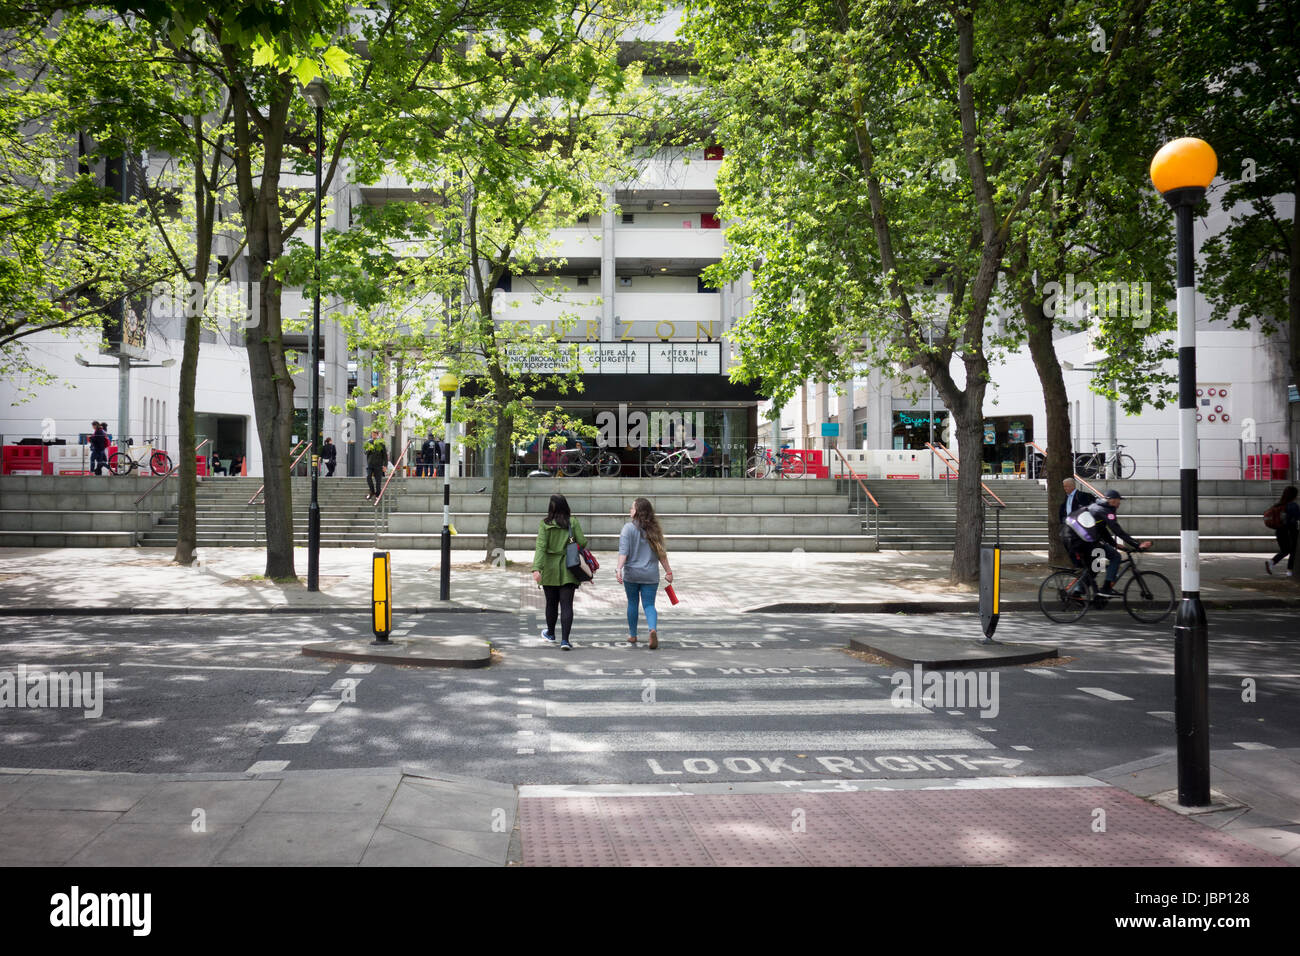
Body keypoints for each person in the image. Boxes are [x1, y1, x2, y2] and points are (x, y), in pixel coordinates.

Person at [1061, 489, 1151, 598]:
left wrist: (1114, 544)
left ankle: (1078, 592)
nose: (1119, 503)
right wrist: (1137, 545)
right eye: (1118, 500)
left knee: (1095, 566)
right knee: (1114, 557)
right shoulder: (1106, 511)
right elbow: (1117, 530)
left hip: (1072, 538)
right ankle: (1106, 588)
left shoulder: (1095, 507)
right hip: (1079, 540)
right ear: (1111, 500)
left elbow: (1102, 530)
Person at [616, 497, 673, 649]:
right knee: (649, 605)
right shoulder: (654, 530)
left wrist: (618, 568)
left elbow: (623, 552)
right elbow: (662, 553)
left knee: (633, 603)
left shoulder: (627, 529)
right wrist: (668, 571)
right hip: (650, 574)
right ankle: (652, 629)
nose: (630, 510)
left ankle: (633, 635)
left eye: (632, 508)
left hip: (632, 574)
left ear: (637, 512)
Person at [531, 493, 586, 651]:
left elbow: (540, 547)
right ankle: (565, 641)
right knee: (567, 605)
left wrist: (537, 568)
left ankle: (550, 633)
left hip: (549, 568)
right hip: (569, 567)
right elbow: (582, 542)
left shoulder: (545, 524)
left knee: (551, 604)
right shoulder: (572, 522)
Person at [1264, 486, 1299, 577]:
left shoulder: (1278, 505)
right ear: (1294, 495)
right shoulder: (1293, 505)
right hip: (1290, 531)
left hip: (1279, 531)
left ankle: (1271, 562)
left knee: (1285, 550)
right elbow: (1297, 518)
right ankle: (1289, 571)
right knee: (1293, 551)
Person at [364, 431, 388, 499]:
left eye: (375, 434)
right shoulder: (368, 442)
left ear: (377, 435)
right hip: (370, 464)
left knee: (378, 481)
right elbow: (365, 452)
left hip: (378, 465)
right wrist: (368, 449)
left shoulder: (381, 443)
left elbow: (385, 456)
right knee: (368, 477)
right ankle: (372, 491)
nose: (373, 436)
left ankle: (378, 495)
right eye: (372, 434)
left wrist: (385, 465)